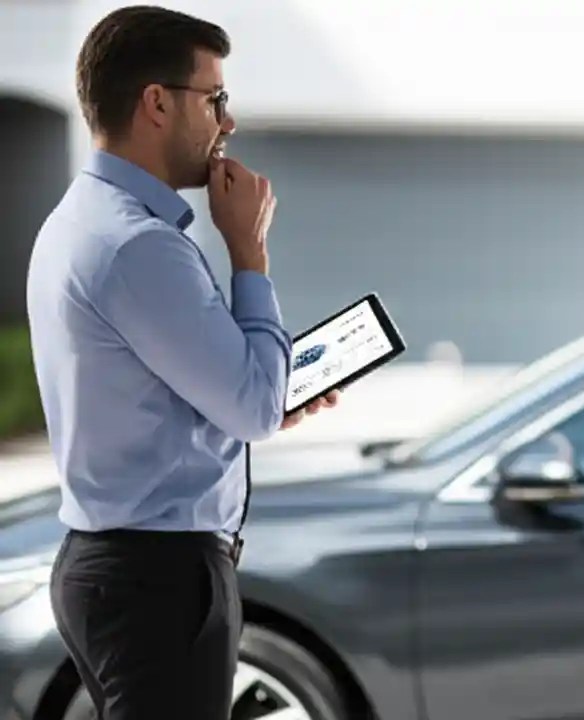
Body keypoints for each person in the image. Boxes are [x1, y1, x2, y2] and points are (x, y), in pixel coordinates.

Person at [25, 6, 338, 718]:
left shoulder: (84, 218)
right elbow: (253, 408)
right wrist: (249, 250)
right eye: (216, 99)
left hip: (122, 567)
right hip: (157, 579)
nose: (228, 122)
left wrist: (259, 396)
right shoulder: (140, 247)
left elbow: (186, 398)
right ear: (157, 103)